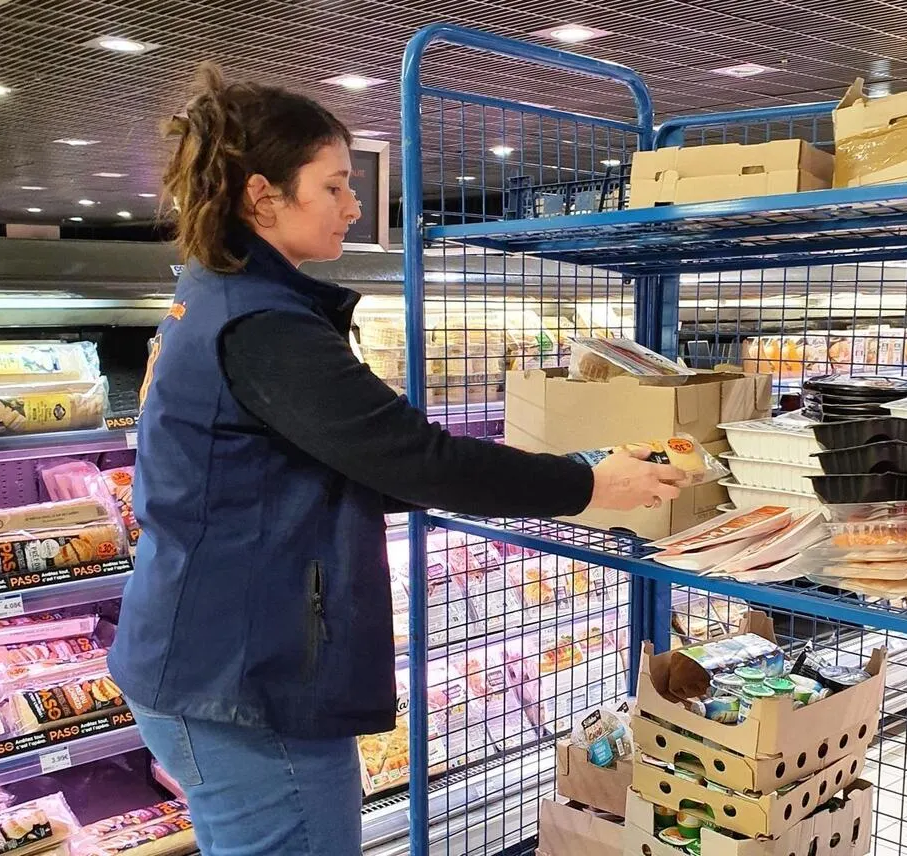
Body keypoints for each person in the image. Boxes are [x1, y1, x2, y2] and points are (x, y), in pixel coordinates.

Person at [107, 63, 683, 856]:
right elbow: (417, 459)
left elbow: (365, 463)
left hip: (212, 660)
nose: (355, 206)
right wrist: (588, 484)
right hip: (247, 681)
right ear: (262, 196)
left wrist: (565, 468)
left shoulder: (220, 299)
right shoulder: (264, 327)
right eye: (335, 185)